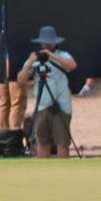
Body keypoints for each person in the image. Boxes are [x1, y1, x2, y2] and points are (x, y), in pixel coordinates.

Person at [17, 25, 78, 159]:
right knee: (42, 141)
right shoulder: (34, 58)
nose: (47, 44)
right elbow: (21, 80)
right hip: (42, 105)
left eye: (50, 41)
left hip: (61, 105)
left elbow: (72, 65)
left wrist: (51, 56)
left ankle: (63, 171)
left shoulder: (62, 55)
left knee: (62, 142)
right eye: (45, 41)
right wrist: (30, 63)